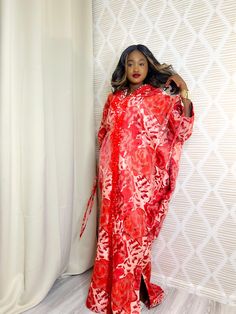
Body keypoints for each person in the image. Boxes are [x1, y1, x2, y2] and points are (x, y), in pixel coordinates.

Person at [81, 44, 194, 314]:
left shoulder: (157, 98)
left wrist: (185, 92)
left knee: (132, 235)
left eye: (141, 63)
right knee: (109, 232)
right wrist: (106, 166)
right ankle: (103, 294)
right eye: (130, 63)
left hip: (138, 181)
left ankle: (126, 298)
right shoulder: (114, 99)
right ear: (124, 67)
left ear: (149, 67)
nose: (135, 68)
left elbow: (181, 129)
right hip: (111, 177)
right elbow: (104, 134)